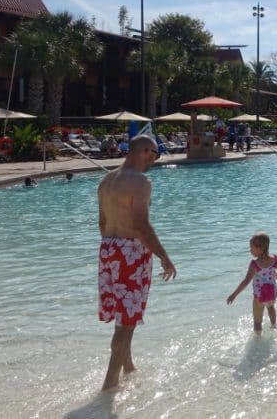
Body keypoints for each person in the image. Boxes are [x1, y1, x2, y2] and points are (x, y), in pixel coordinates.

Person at [97, 134, 176, 391]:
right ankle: (109, 385)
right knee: (127, 321)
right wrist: (163, 256)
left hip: (108, 248)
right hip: (131, 251)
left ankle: (128, 365)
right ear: (143, 151)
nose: (154, 160)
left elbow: (102, 223)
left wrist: (116, 248)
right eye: (154, 154)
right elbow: (141, 224)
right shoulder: (141, 181)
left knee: (123, 316)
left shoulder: (106, 180)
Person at [227, 232, 277, 333]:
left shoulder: (254, 264)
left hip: (259, 296)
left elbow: (246, 281)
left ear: (259, 248)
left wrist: (234, 295)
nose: (250, 250)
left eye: (251, 248)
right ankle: (274, 327)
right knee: (271, 308)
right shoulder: (274, 260)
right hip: (272, 293)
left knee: (257, 322)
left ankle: (258, 341)